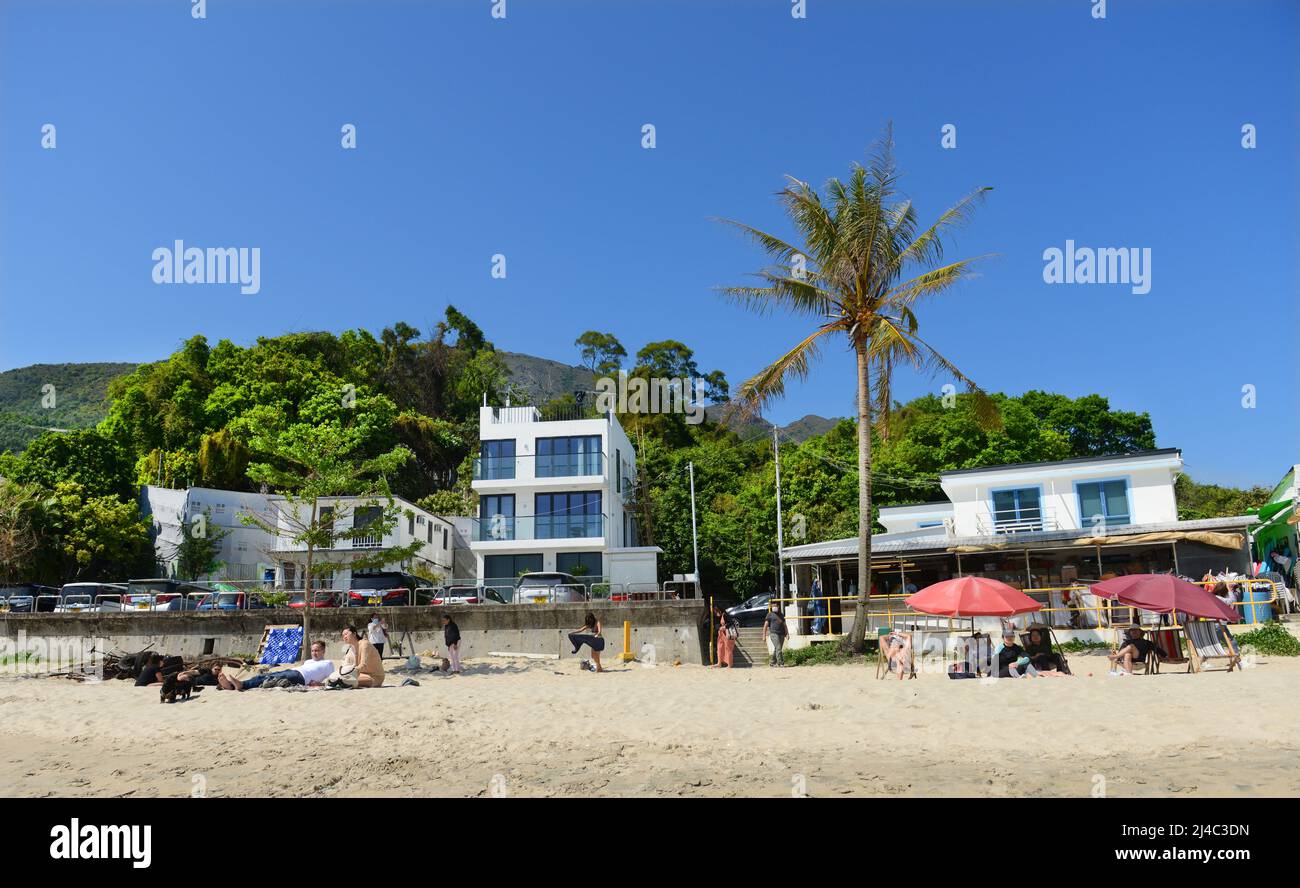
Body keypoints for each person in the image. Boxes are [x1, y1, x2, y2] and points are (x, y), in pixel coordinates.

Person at [229, 640, 335, 690]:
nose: (314, 653)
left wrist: (319, 684)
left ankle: (243, 685)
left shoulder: (327, 663)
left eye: (316, 650)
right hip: (293, 671)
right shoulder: (308, 661)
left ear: (323, 651)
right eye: (312, 651)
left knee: (272, 679)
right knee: (266, 676)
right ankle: (232, 685)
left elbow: (333, 682)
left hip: (301, 677)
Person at [763, 602, 787, 667]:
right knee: (778, 648)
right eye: (772, 606)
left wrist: (787, 633)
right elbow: (765, 625)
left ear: (778, 606)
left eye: (775, 606)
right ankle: (781, 663)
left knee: (777, 649)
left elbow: (785, 625)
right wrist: (764, 635)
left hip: (781, 634)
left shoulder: (781, 615)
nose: (774, 607)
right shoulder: (769, 614)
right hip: (774, 633)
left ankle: (772, 662)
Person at [712, 603, 734, 667]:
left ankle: (730, 664)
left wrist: (724, 627)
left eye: (716, 610)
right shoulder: (716, 617)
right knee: (719, 648)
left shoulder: (725, 615)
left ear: (719, 610)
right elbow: (716, 626)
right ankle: (719, 663)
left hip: (727, 633)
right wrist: (718, 628)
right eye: (714, 611)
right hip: (721, 634)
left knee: (728, 648)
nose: (715, 612)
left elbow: (731, 622)